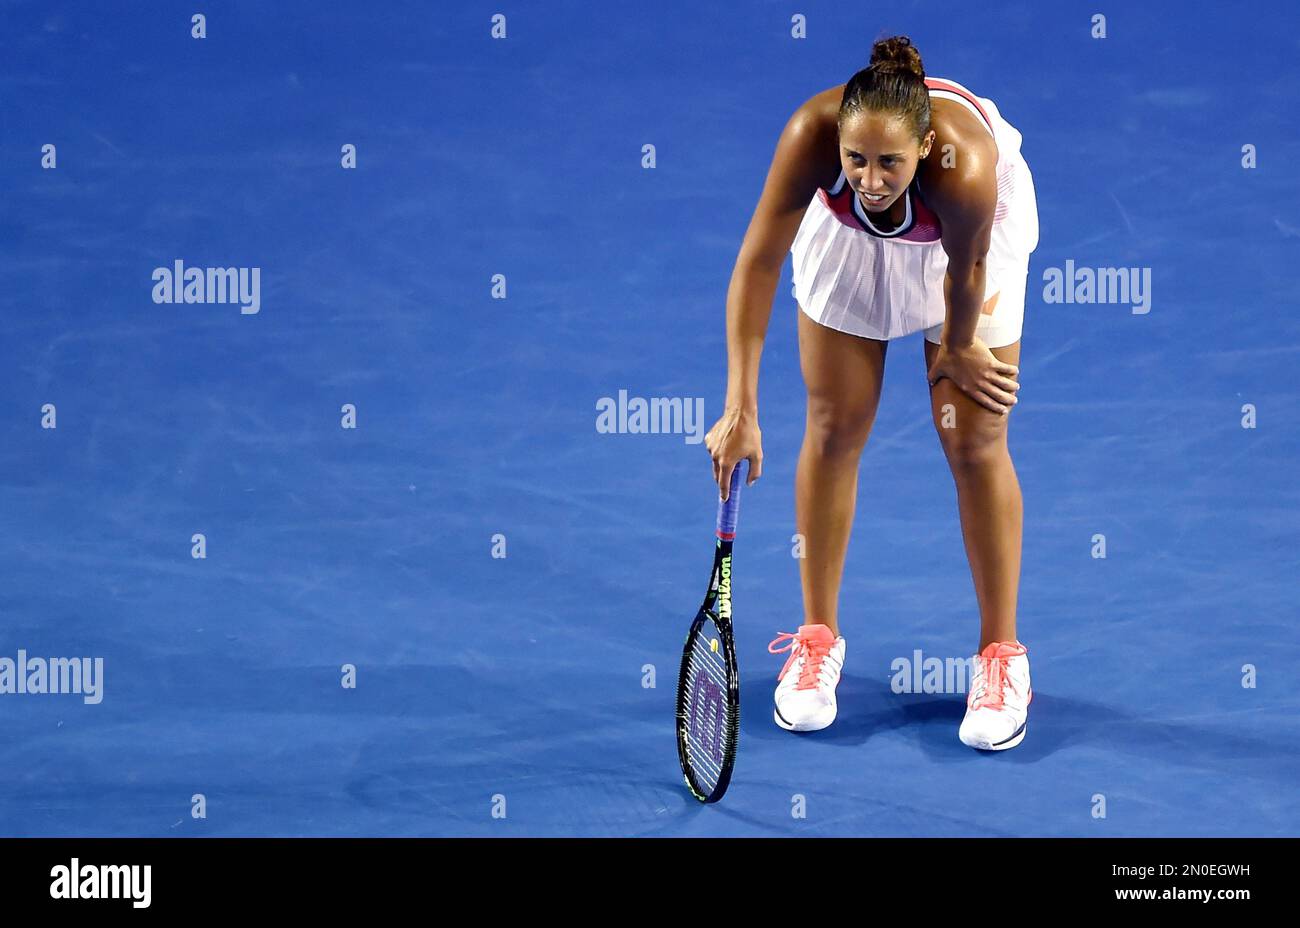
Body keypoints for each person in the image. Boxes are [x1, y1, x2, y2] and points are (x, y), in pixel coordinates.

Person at [704, 35, 1038, 750]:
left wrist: (954, 349)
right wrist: (741, 407)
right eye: (856, 159)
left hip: (960, 251)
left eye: (890, 161)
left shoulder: (968, 171)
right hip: (849, 244)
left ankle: (1002, 658)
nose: (872, 178)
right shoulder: (810, 138)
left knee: (973, 438)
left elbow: (966, 271)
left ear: (924, 146)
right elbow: (757, 264)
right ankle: (817, 638)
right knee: (832, 424)